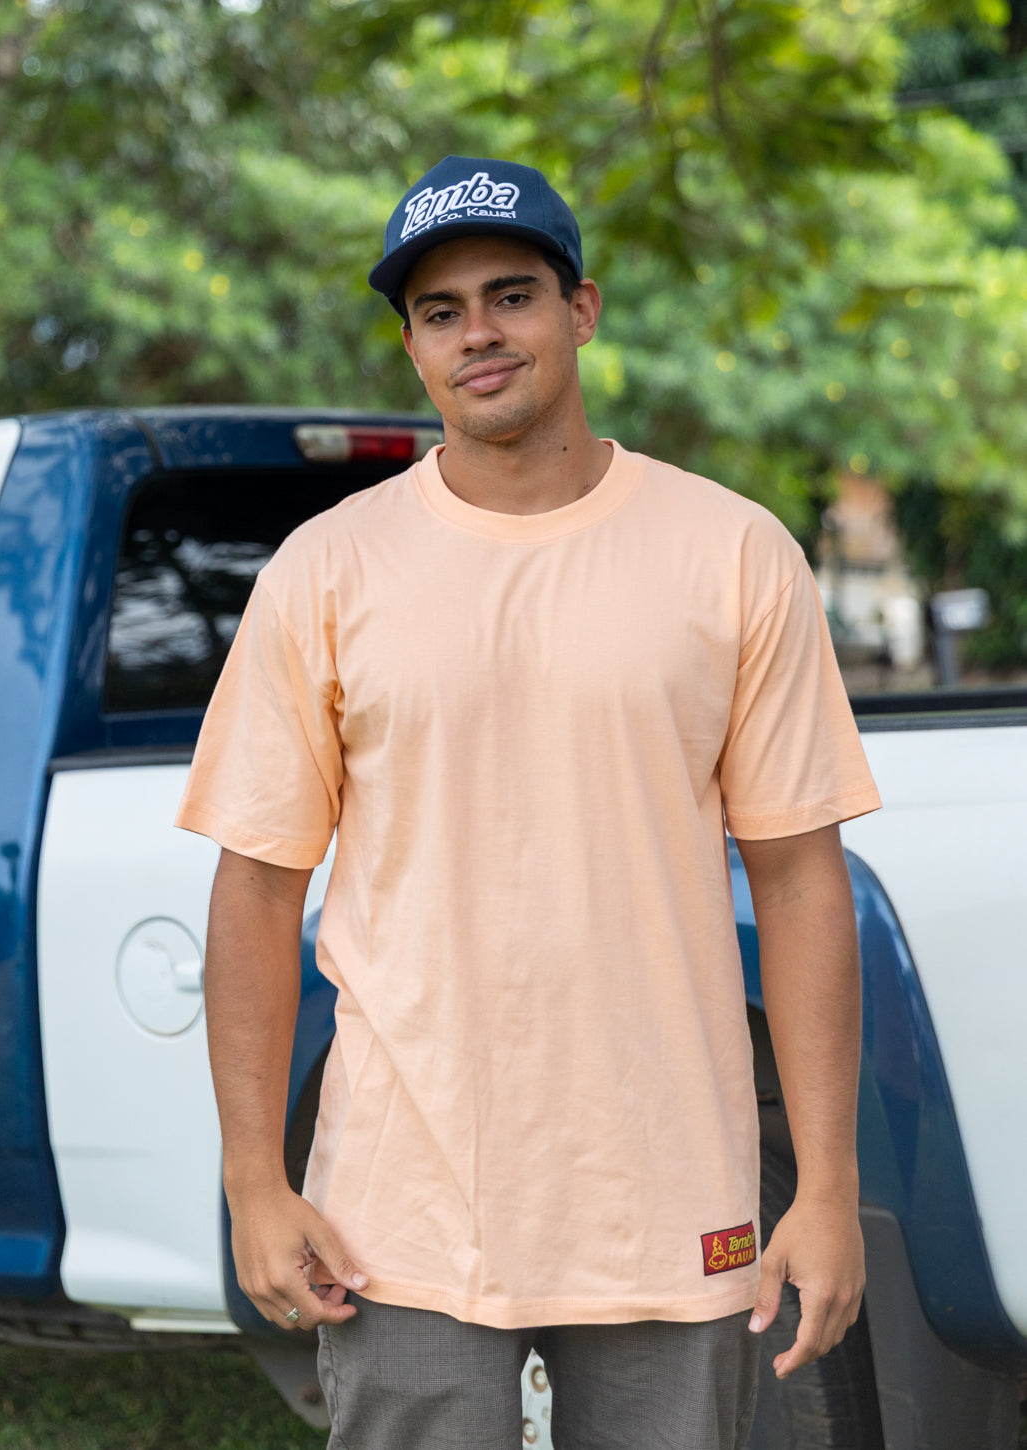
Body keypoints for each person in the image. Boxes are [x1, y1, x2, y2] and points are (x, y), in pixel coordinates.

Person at [174, 155, 882, 1449]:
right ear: (411, 344)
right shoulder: (328, 569)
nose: (478, 333)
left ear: (582, 309)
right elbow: (256, 884)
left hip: (669, 1184)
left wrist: (826, 1183)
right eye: (440, 312)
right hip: (401, 1203)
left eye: (511, 295)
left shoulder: (728, 552)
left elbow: (797, 872)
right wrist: (252, 1180)